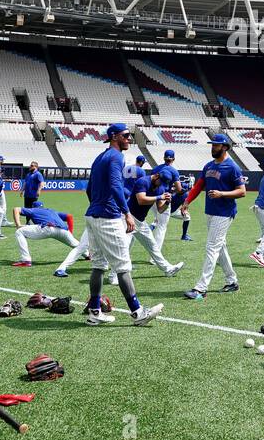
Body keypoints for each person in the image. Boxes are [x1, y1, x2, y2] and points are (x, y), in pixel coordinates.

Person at [81, 123, 163, 326]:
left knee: (98, 266)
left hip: (93, 215)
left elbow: (89, 189)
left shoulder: (100, 157)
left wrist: (98, 205)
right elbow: (116, 186)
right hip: (107, 217)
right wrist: (126, 213)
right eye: (126, 135)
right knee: (123, 266)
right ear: (114, 136)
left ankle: (94, 312)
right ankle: (137, 312)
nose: (129, 138)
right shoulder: (117, 157)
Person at [180, 133, 247, 300]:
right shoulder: (208, 166)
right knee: (220, 247)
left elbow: (242, 191)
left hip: (224, 213)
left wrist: (222, 194)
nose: (213, 147)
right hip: (210, 212)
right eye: (212, 144)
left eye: (216, 145)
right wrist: (187, 201)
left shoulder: (232, 167)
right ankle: (232, 282)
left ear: (225, 147)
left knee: (212, 247)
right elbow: (198, 186)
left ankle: (201, 288)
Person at [128, 170, 184, 276]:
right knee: (123, 246)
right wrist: (160, 197)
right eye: (161, 182)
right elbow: (141, 199)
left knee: (152, 245)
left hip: (140, 221)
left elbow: (160, 210)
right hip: (128, 218)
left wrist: (167, 202)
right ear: (156, 176)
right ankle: (114, 276)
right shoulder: (143, 181)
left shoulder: (160, 187)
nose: (161, 185)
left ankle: (168, 270)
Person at [11, 205, 80, 267]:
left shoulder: (34, 210)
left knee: (19, 231)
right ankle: (88, 254)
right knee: (76, 245)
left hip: (47, 228)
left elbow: (16, 209)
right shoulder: (52, 211)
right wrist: (70, 233)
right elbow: (69, 216)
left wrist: (18, 225)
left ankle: (25, 260)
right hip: (63, 230)